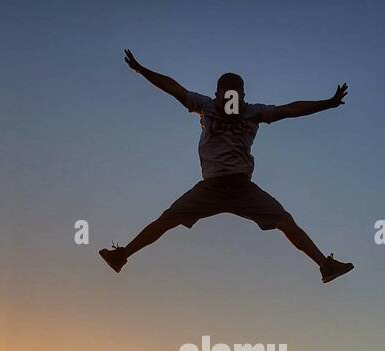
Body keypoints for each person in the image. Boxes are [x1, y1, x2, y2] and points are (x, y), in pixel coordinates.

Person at [99, 50, 355, 284]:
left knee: (285, 221)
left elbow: (290, 110)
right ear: (218, 94)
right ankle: (121, 255)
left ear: (243, 95)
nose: (232, 100)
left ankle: (325, 266)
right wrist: (142, 70)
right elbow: (173, 88)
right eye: (226, 94)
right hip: (211, 187)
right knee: (167, 220)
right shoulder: (205, 106)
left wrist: (327, 103)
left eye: (237, 95)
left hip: (243, 189)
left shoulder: (254, 112)